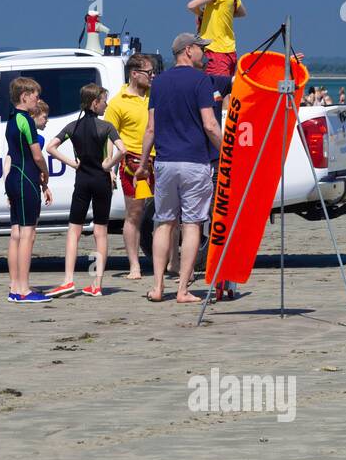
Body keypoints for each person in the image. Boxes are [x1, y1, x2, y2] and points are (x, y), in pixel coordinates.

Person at [134, 33, 223, 304]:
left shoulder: (158, 83)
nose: (205, 54)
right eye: (201, 49)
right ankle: (183, 290)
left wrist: (141, 164)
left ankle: (158, 287)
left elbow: (151, 128)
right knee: (192, 224)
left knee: (164, 223)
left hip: (165, 162)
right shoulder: (201, 81)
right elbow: (209, 124)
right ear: (188, 50)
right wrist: (227, 152)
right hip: (194, 162)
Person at [46, 84, 126, 298]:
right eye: (103, 101)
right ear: (94, 103)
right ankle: (96, 284)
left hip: (82, 181)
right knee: (100, 232)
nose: (106, 104)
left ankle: (68, 280)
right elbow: (123, 149)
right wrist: (108, 167)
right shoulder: (106, 127)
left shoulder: (72, 126)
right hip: (101, 181)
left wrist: (72, 164)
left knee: (74, 230)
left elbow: (50, 147)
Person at [105, 54, 155, 280]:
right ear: (134, 74)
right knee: (134, 214)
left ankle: (172, 262)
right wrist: (109, 166)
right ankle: (134, 265)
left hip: (160, 159)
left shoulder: (156, 96)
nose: (153, 76)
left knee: (168, 213)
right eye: (149, 72)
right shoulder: (118, 101)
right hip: (134, 163)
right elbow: (109, 136)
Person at [3, 77, 51, 303]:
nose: (37, 99)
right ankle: (23, 289)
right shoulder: (25, 120)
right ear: (24, 96)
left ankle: (14, 285)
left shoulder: (11, 119)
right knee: (27, 234)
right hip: (26, 179)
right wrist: (46, 174)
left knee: (16, 234)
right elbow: (37, 155)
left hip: (13, 178)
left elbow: (11, 153)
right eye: (35, 95)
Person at [186, 0, 246, 77]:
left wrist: (201, 14)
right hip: (229, 50)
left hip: (216, 51)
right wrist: (223, 11)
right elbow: (242, 12)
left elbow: (191, 5)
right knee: (225, 91)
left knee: (214, 91)